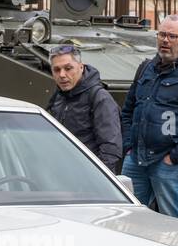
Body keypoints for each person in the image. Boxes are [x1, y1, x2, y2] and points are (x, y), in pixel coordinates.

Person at [119, 14, 178, 218]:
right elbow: (128, 110)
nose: (165, 40)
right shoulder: (146, 69)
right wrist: (129, 147)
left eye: (172, 36)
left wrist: (175, 157)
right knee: (129, 218)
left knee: (171, 222)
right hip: (136, 159)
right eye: (162, 34)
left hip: (168, 162)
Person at [45, 44, 122, 172]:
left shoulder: (99, 98)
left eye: (68, 68)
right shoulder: (58, 97)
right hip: (60, 170)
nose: (62, 75)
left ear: (81, 67)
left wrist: (99, 177)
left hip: (89, 174)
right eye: (56, 70)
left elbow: (110, 146)